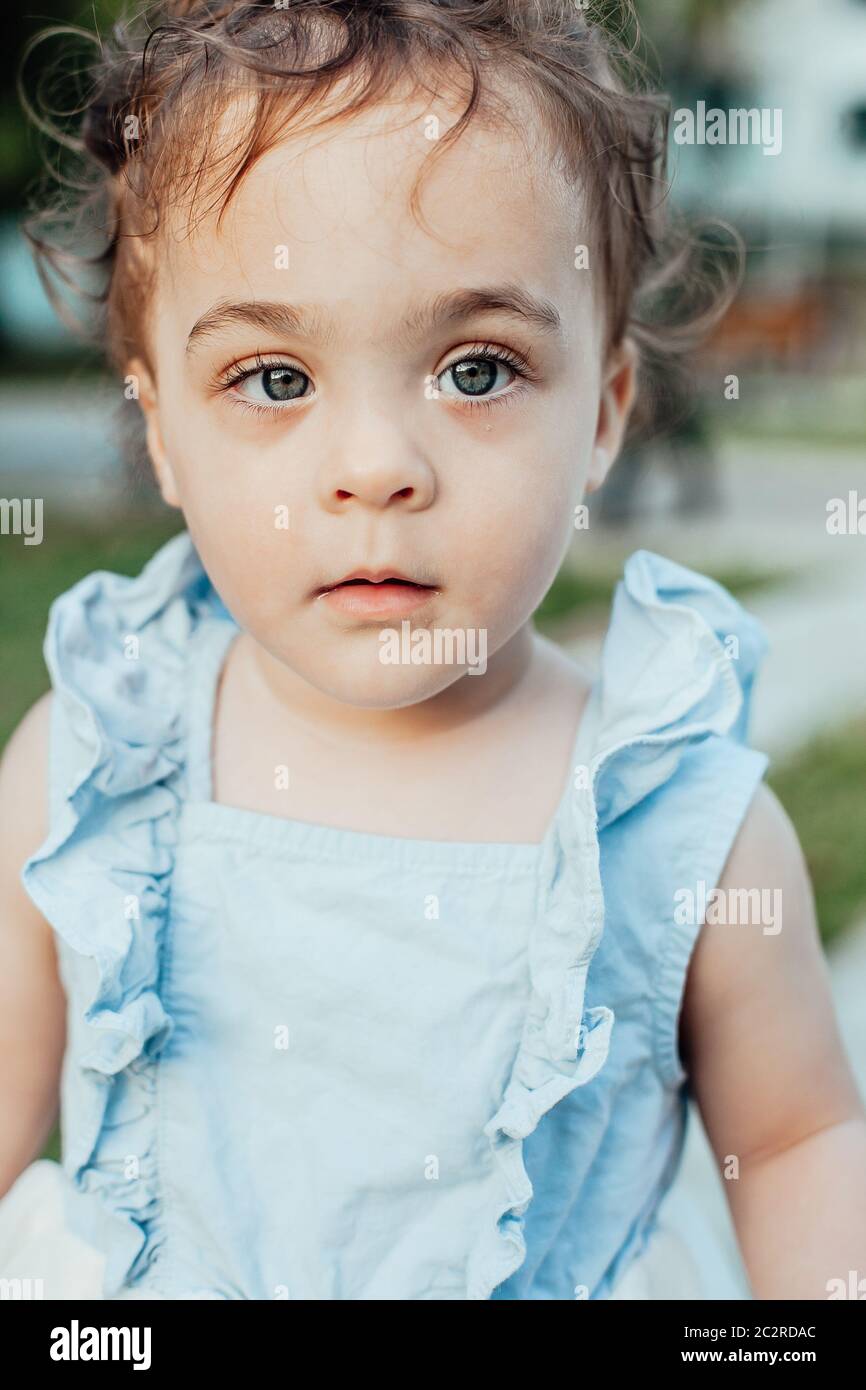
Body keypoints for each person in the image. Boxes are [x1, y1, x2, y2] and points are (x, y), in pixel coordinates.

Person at [1, 0, 863, 1301]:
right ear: (163, 427)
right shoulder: (93, 764)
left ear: (604, 415)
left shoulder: (674, 827)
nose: (374, 470)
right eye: (273, 379)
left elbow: (799, 1139)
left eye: (474, 369)